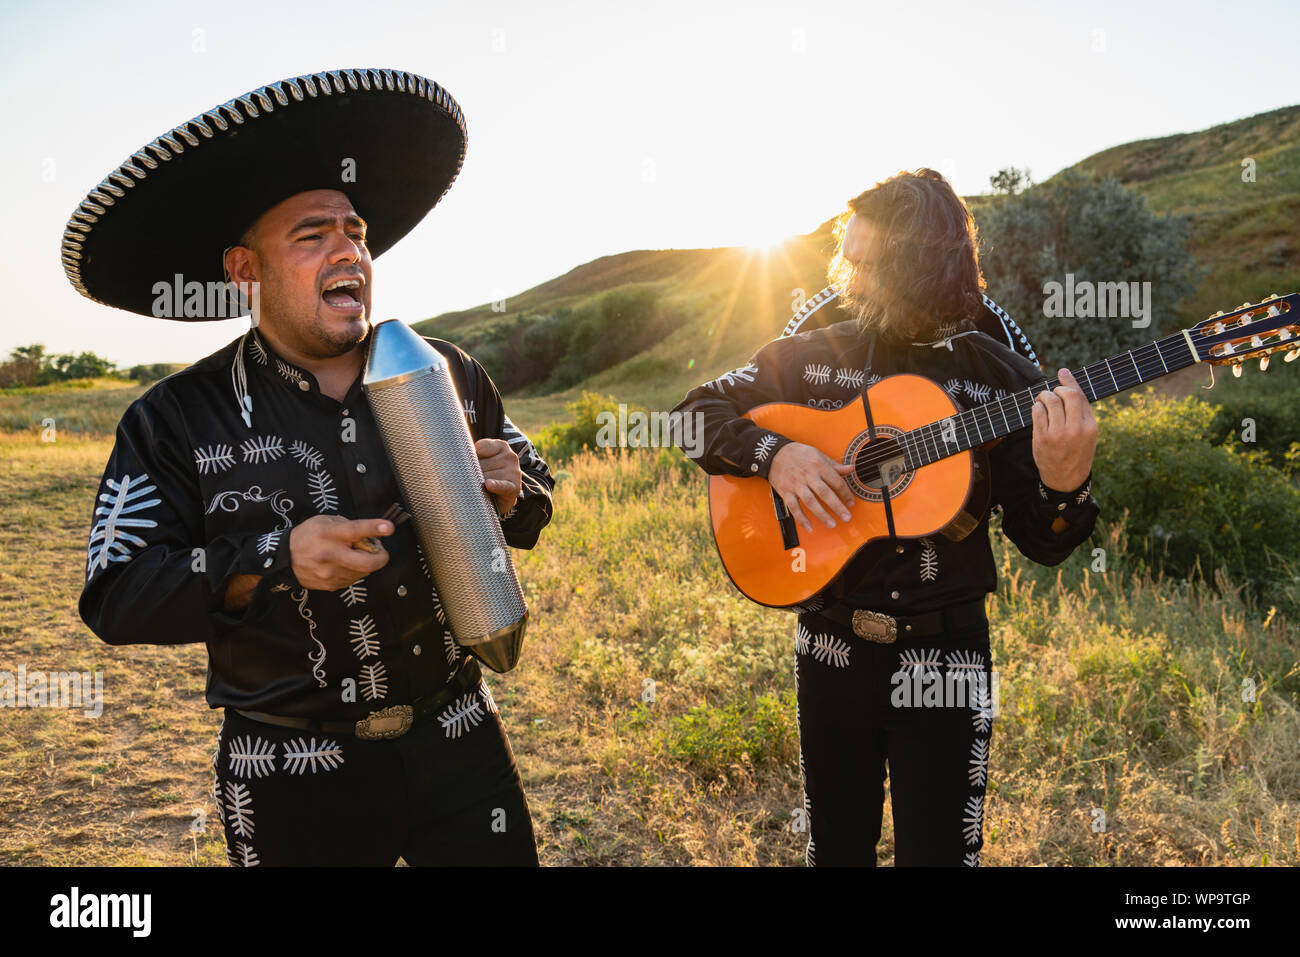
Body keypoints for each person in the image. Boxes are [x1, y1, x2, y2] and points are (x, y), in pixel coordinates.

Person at [72, 69, 553, 866]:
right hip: (292, 772)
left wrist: (511, 490)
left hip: (460, 738)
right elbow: (117, 593)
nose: (349, 250)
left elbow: (535, 488)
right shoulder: (175, 418)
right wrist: (275, 559)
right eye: (312, 235)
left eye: (356, 230)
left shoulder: (445, 373)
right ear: (243, 270)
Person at [673, 168, 1100, 866]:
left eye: (869, 265)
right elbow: (690, 418)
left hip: (948, 653)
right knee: (836, 850)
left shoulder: (1004, 379)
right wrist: (775, 455)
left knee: (941, 855)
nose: (850, 279)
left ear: (921, 268)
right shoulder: (813, 358)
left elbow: (1041, 541)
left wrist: (1065, 484)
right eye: (850, 259)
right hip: (831, 644)